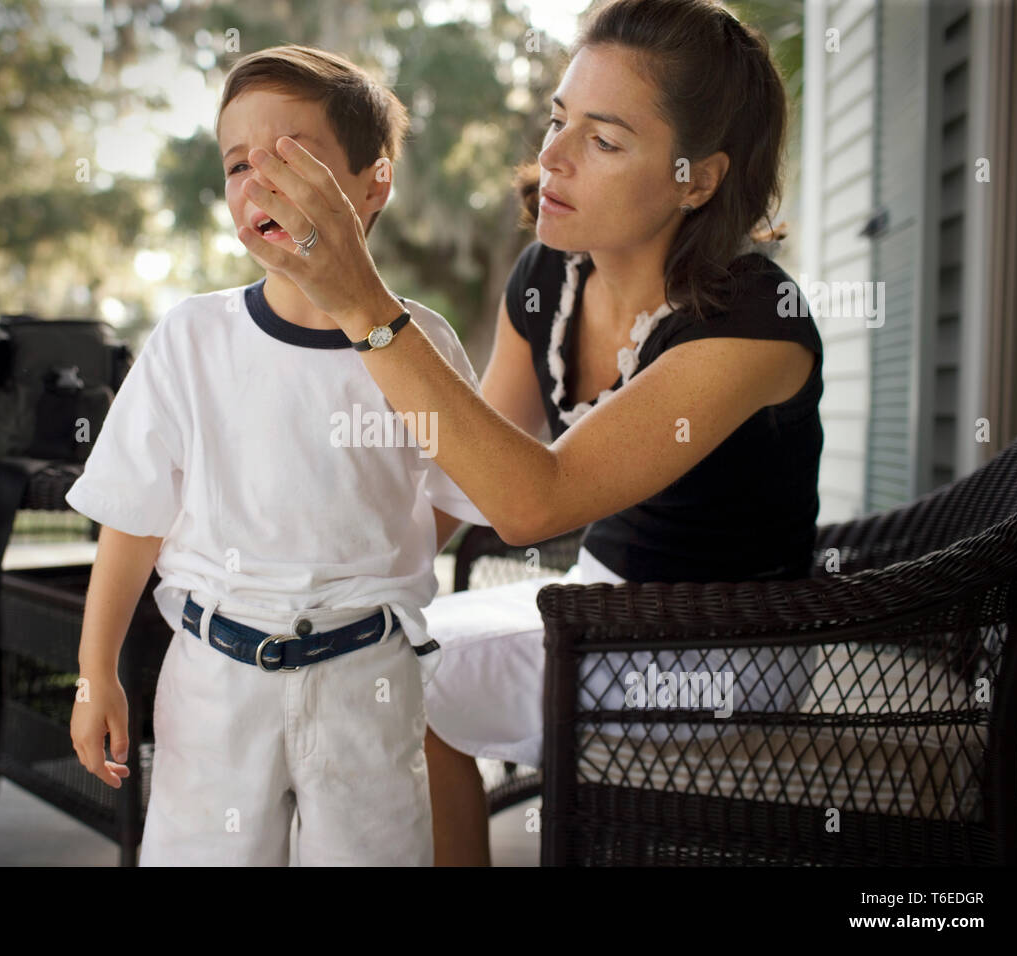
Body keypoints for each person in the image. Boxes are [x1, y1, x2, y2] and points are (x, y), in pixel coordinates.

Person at [231, 0, 825, 865]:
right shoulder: (551, 276)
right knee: (358, 643)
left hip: (724, 648)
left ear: (698, 177)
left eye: (605, 141)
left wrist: (360, 300)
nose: (551, 157)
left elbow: (528, 501)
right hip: (597, 599)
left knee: (383, 678)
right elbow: (467, 475)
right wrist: (324, 576)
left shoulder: (753, 319)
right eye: (559, 121)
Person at [64, 44, 489, 866]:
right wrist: (97, 672)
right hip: (213, 688)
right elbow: (132, 518)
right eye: (236, 165)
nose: (259, 181)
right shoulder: (193, 338)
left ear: (374, 184)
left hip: (366, 680)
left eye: (290, 157)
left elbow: (455, 490)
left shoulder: (418, 345)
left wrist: (370, 557)